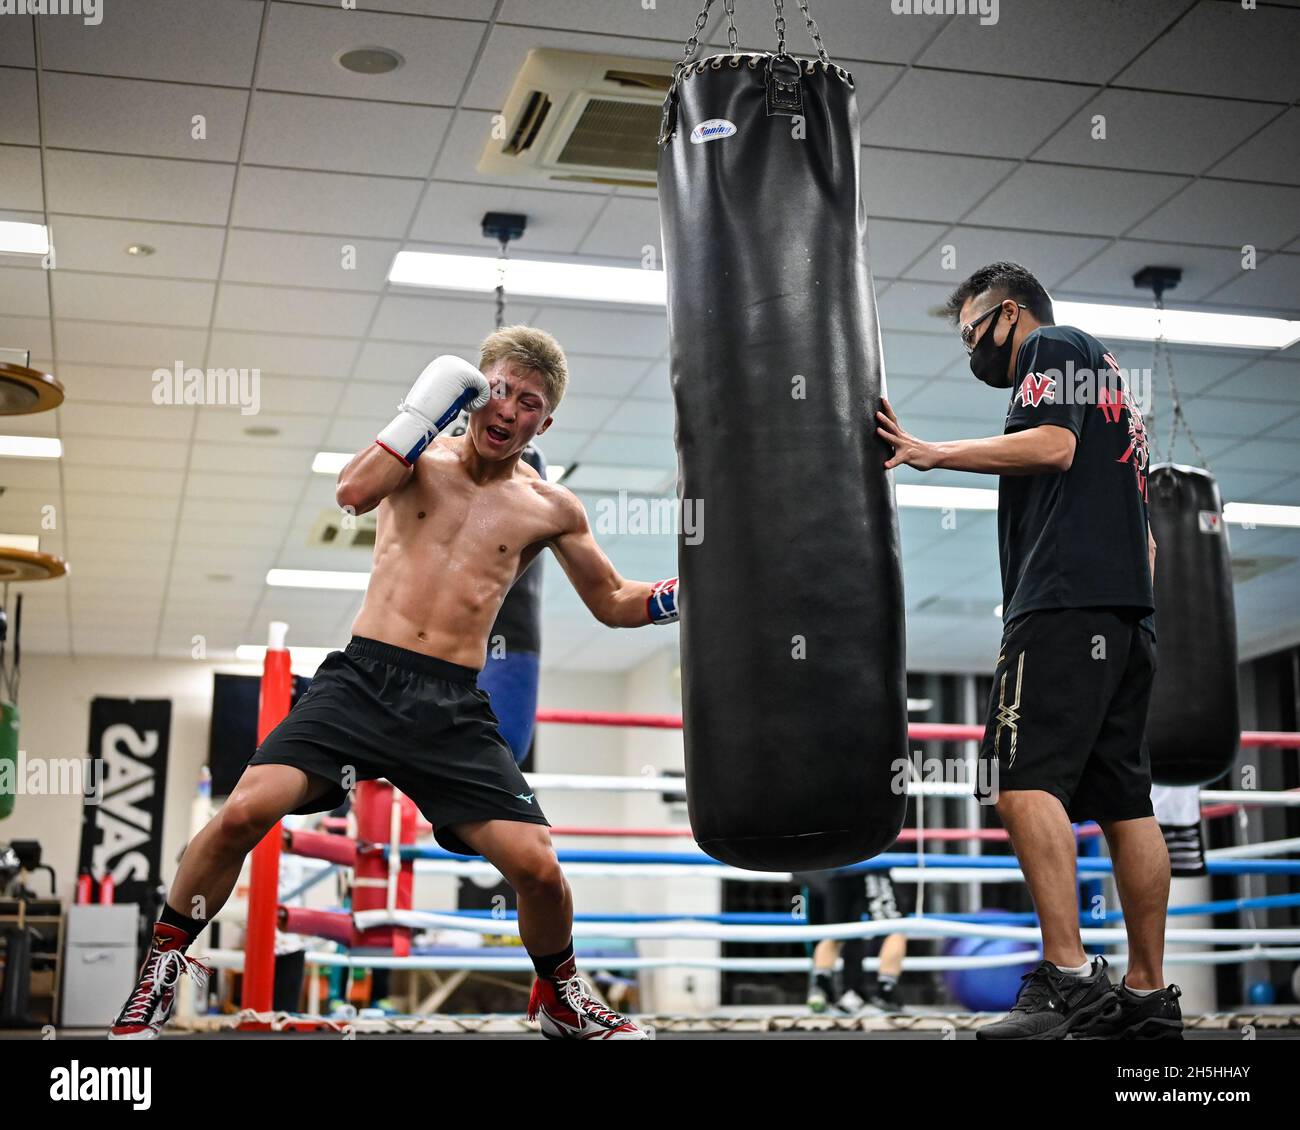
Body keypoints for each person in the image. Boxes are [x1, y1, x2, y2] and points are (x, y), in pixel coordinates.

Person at [110, 325, 679, 1041]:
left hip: (452, 707)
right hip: (361, 683)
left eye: (527, 401)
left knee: (539, 871)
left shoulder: (552, 508)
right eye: (498, 389)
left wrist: (687, 593)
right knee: (241, 813)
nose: (507, 410)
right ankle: (160, 970)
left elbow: (614, 601)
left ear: (545, 421)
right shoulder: (418, 460)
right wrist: (421, 416)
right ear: (474, 390)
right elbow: (351, 491)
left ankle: (559, 995)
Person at [875, 262, 1182, 1040]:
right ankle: (1148, 1000)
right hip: (1125, 617)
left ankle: (1071, 981)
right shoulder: (1111, 378)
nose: (973, 349)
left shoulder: (1052, 346)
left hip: (1063, 604)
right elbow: (1143, 536)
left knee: (1014, 783)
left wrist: (927, 452)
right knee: (1124, 804)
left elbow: (1050, 448)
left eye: (973, 332)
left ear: (1010, 314)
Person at [797, 868, 911, 1015]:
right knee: (895, 927)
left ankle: (820, 987)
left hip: (835, 865)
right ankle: (886, 989)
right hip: (868, 865)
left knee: (836, 932)